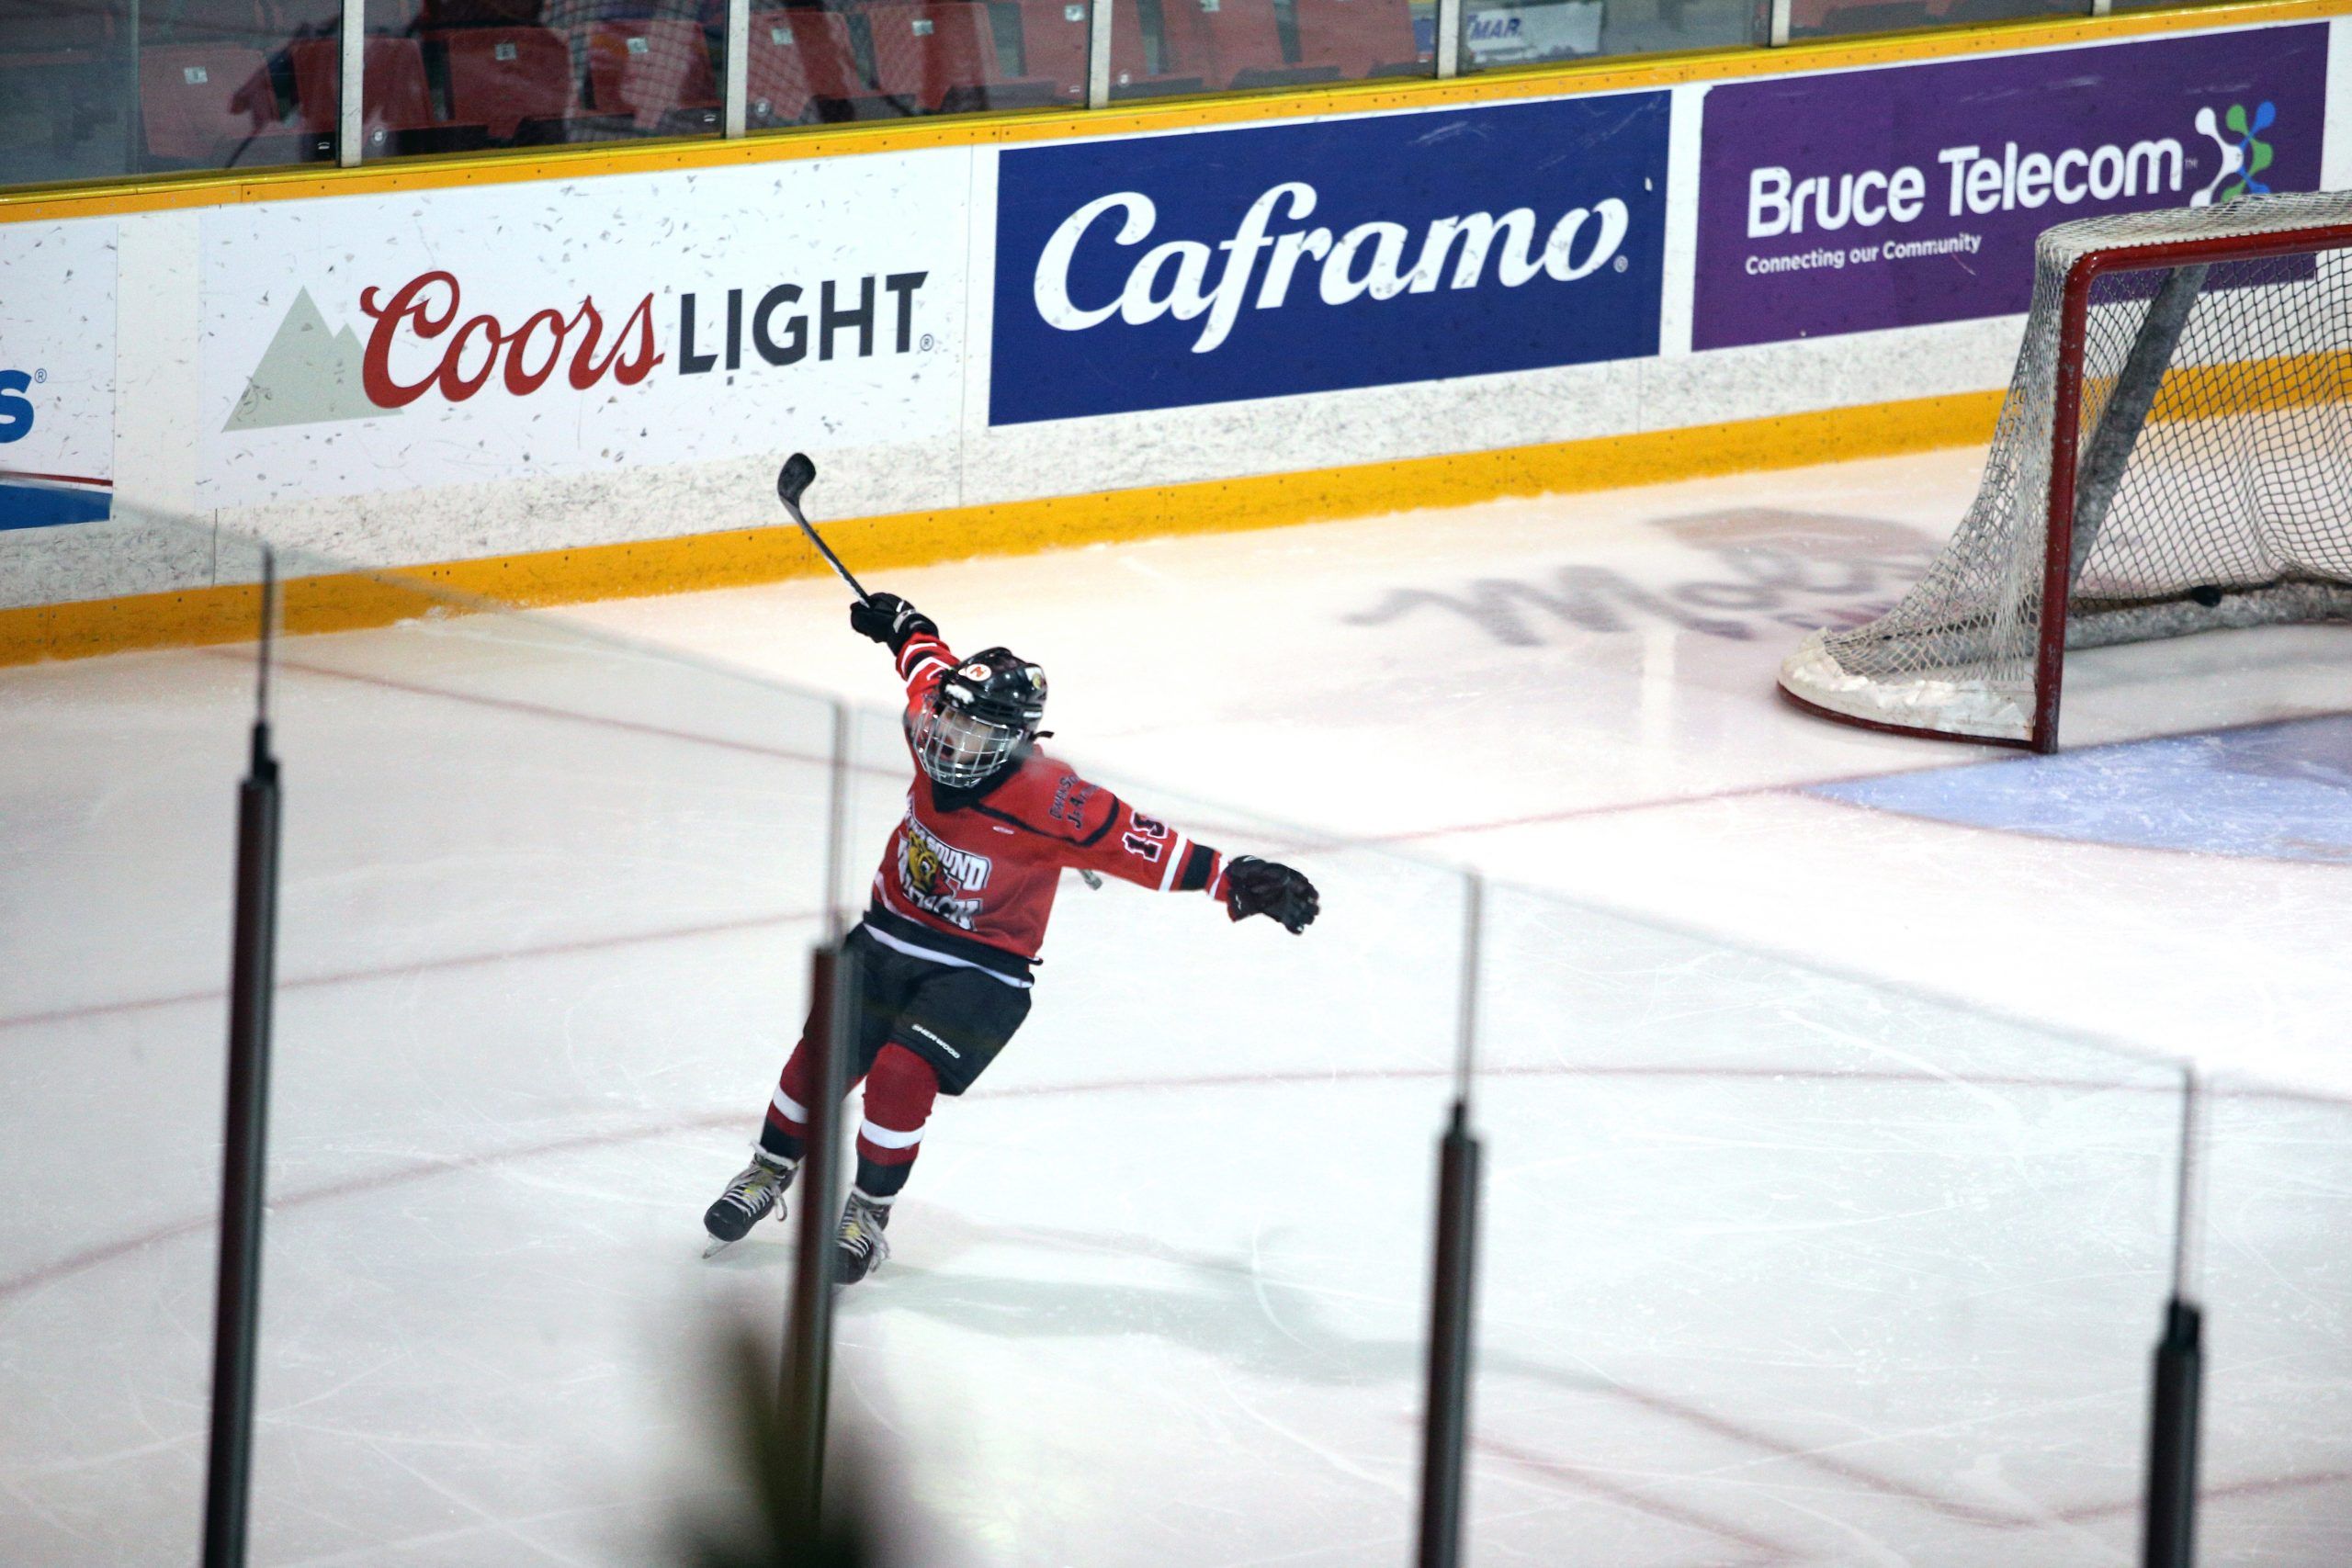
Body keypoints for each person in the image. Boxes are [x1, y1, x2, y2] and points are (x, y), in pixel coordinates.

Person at [703, 592, 1320, 1280]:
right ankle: (767, 1169)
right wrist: (905, 624)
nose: (946, 739)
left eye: (970, 732)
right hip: (888, 933)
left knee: (902, 1074)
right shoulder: (931, 719)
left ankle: (867, 1214)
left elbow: (1146, 845)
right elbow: (924, 665)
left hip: (983, 967)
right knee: (823, 1053)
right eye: (948, 721)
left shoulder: (1056, 798)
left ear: (1014, 741)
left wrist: (1234, 878)